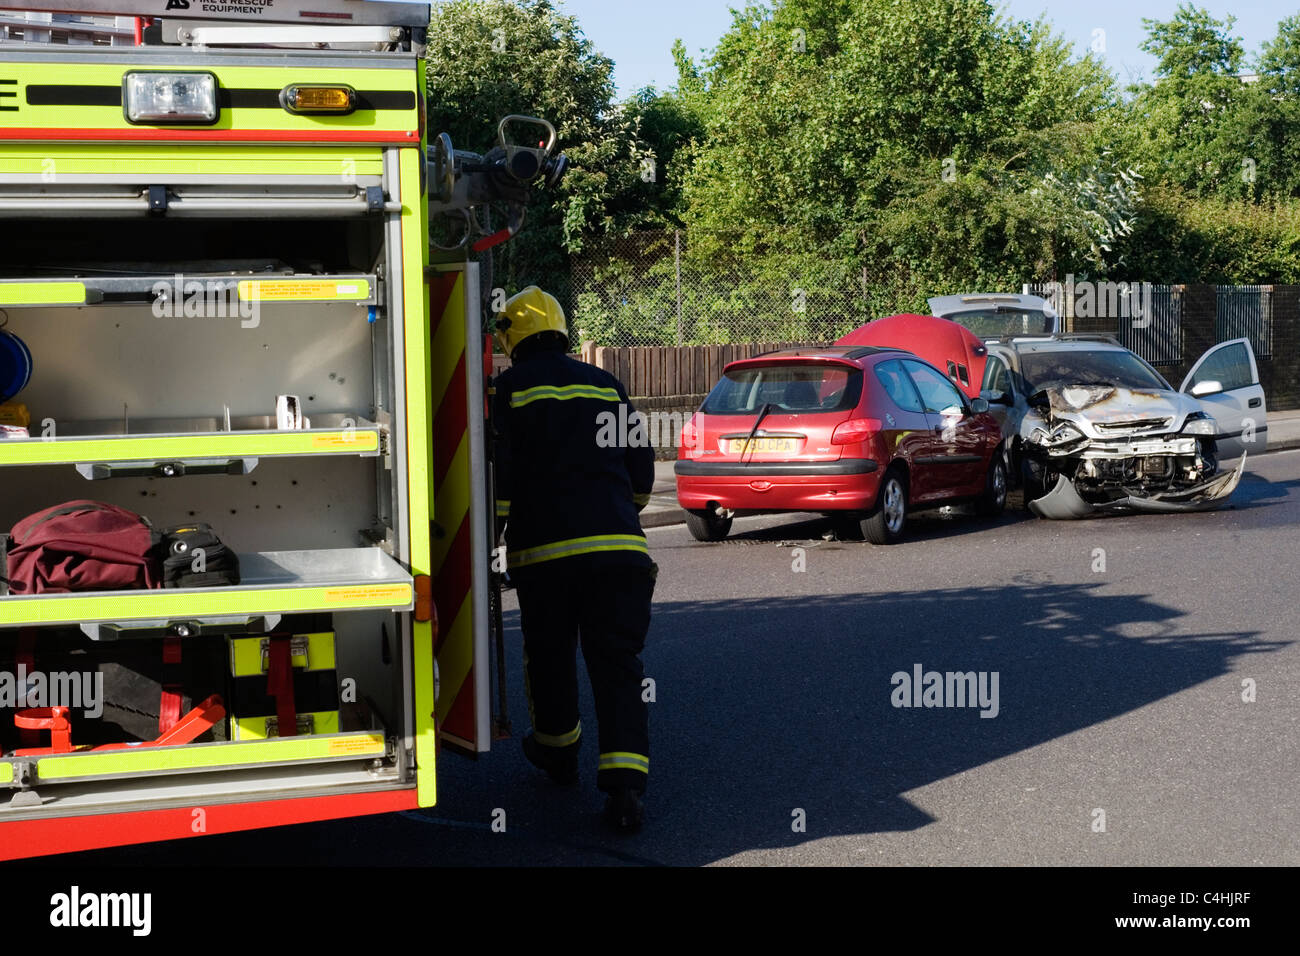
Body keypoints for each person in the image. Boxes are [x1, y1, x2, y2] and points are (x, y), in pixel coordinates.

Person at [491, 286, 657, 832]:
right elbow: (641, 473)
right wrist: (620, 514)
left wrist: (494, 533)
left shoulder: (509, 390)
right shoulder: (608, 385)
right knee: (618, 668)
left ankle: (559, 754)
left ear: (512, 337)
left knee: (549, 658)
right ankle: (627, 787)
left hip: (547, 558)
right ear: (562, 330)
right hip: (621, 555)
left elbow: (501, 477)